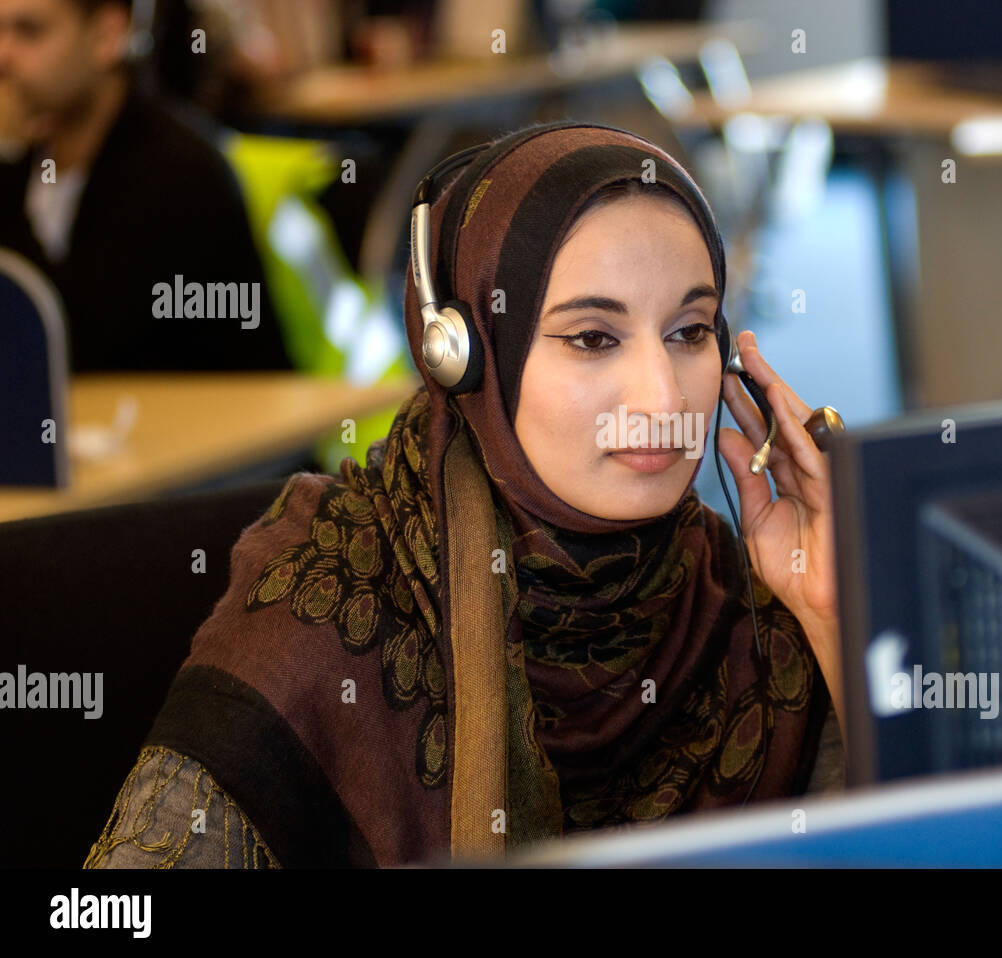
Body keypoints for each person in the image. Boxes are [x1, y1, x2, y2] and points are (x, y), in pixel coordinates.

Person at [84, 120, 844, 869]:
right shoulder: (329, 605)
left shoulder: (745, 599)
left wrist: (831, 615)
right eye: (592, 338)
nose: (662, 396)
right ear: (466, 355)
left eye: (689, 331)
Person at [0, 0, 291, 372]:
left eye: (29, 32)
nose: (4, 55)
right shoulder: (25, 155)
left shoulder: (177, 172)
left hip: (202, 419)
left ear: (107, 36)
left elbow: (76, 346)